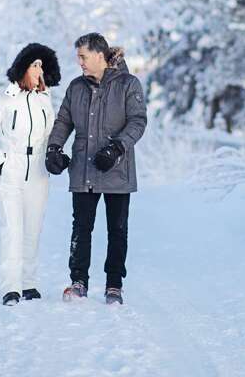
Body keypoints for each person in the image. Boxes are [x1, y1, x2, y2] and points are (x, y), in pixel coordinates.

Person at [45, 32, 147, 306]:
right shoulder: (76, 87)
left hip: (116, 168)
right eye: (78, 56)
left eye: (83, 56)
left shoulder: (128, 84)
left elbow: (138, 121)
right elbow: (63, 121)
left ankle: (114, 285)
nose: (79, 62)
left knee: (117, 229)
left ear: (100, 56)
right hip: (83, 169)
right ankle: (78, 281)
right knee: (81, 228)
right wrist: (54, 148)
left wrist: (117, 148)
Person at [0, 42, 61, 307]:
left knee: (33, 231)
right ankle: (11, 288)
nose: (38, 70)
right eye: (34, 65)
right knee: (12, 231)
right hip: (12, 169)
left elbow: (52, 133)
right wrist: (1, 163)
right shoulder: (4, 99)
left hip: (38, 171)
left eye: (41, 66)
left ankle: (29, 284)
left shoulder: (45, 100)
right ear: (22, 68)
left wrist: (55, 154)